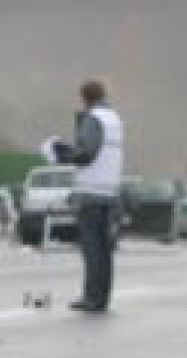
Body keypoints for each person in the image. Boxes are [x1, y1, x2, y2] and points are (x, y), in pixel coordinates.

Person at [55, 79, 124, 312]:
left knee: (92, 248)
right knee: (105, 250)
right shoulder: (114, 119)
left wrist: (62, 154)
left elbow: (86, 154)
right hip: (109, 192)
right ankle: (102, 297)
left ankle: (91, 298)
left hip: (91, 193)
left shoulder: (93, 119)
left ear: (84, 98)